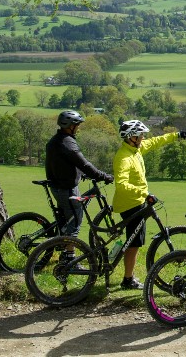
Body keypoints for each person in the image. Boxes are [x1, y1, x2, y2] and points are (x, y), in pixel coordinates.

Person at [112, 119, 186, 290]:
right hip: (131, 204)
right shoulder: (124, 157)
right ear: (131, 137)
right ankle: (127, 279)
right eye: (140, 135)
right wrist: (145, 194)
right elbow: (121, 184)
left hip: (138, 202)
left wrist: (177, 135)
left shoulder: (136, 149)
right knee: (134, 243)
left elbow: (156, 141)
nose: (143, 138)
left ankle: (126, 275)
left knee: (133, 241)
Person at [45, 110, 113, 263]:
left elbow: (66, 163)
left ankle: (63, 248)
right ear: (69, 126)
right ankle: (69, 259)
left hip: (57, 185)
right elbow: (84, 163)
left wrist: (80, 173)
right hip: (66, 188)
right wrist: (103, 176)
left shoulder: (56, 140)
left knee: (66, 219)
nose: (78, 128)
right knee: (75, 220)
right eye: (77, 125)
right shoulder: (68, 142)